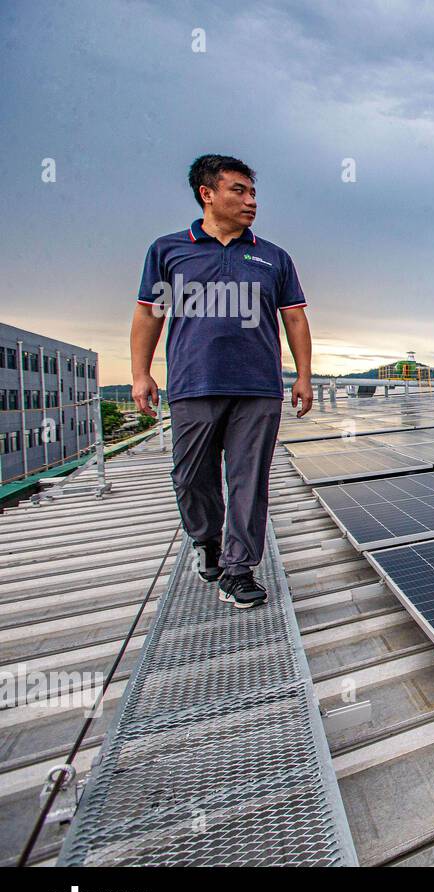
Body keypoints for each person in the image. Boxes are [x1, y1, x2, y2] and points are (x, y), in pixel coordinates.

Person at [130, 154, 314, 609]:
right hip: (194, 384)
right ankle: (207, 541)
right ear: (207, 194)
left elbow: (294, 318)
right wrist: (140, 373)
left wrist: (304, 376)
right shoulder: (169, 250)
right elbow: (148, 315)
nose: (251, 201)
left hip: (257, 388)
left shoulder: (272, 257)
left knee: (249, 479)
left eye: (253, 193)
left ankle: (239, 568)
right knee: (192, 476)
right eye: (239, 190)